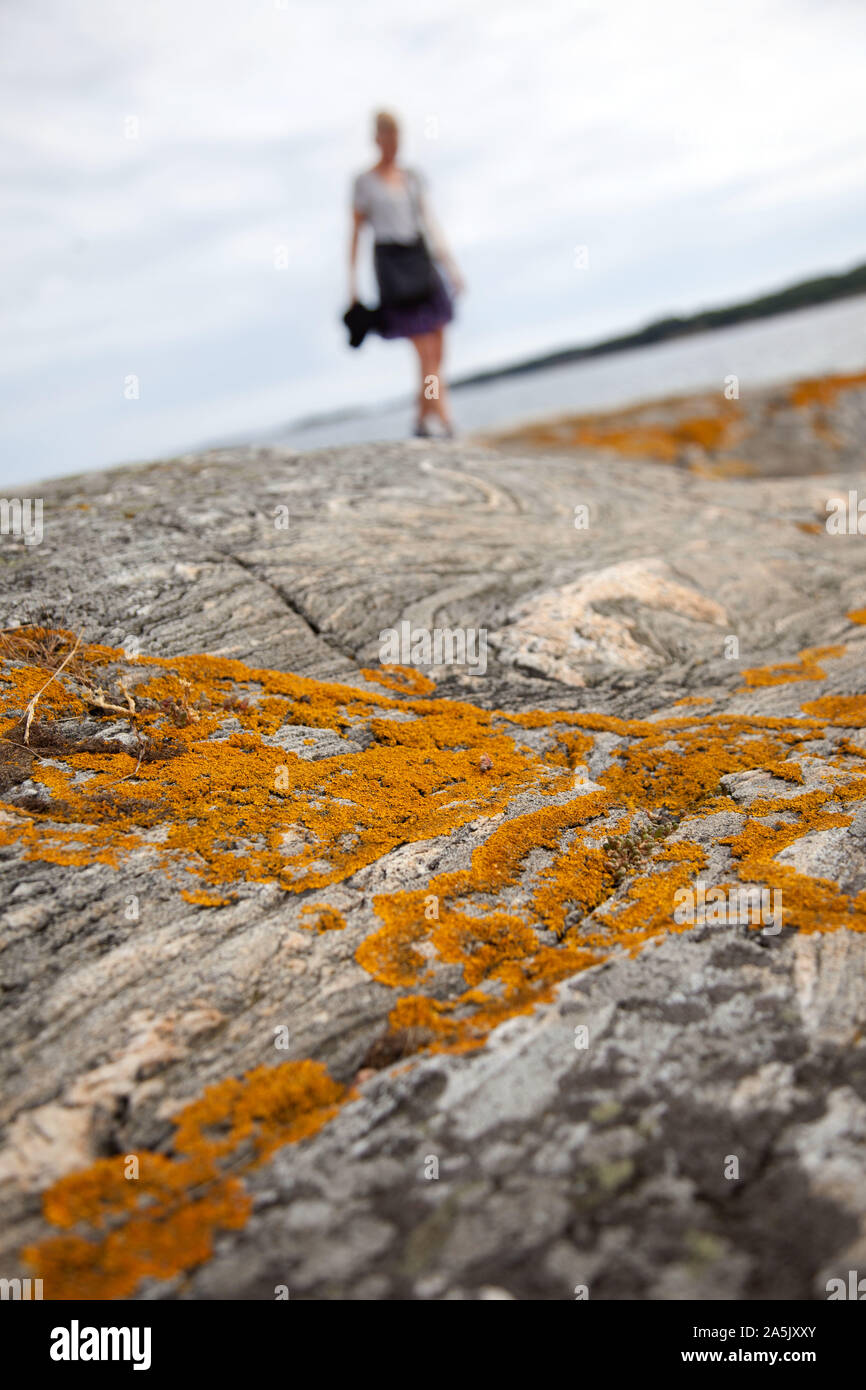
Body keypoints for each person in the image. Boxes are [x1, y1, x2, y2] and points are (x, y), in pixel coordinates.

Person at [349, 110, 465, 438]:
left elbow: (429, 223)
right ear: (376, 139)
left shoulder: (412, 177)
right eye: (387, 138)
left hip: (421, 258)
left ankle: (422, 418)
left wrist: (451, 267)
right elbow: (355, 234)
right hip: (394, 268)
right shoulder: (364, 183)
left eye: (397, 138)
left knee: (438, 349)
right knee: (426, 350)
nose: (392, 145)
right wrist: (352, 285)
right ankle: (443, 419)